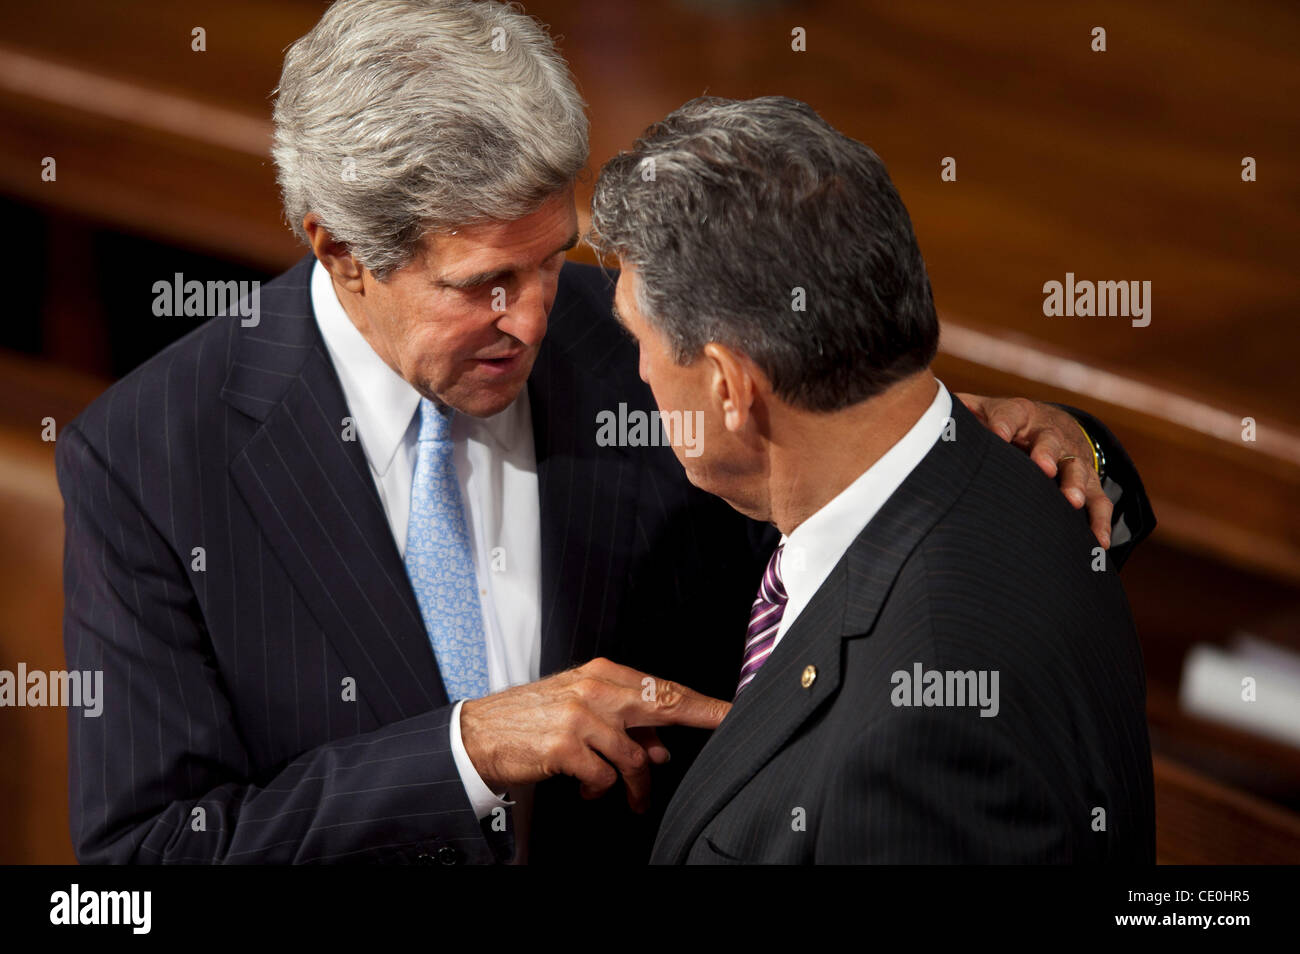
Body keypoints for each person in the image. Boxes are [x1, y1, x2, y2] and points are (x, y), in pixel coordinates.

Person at [58, 0, 1152, 865]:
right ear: (339, 248)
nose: (534, 321)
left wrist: (1066, 443)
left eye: (554, 259)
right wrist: (467, 751)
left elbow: (896, 488)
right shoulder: (149, 463)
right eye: (485, 284)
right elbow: (142, 860)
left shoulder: (644, 342)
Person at [589, 94, 1155, 863]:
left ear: (729, 384)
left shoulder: (917, 745)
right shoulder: (1022, 478)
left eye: (638, 339)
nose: (640, 373)